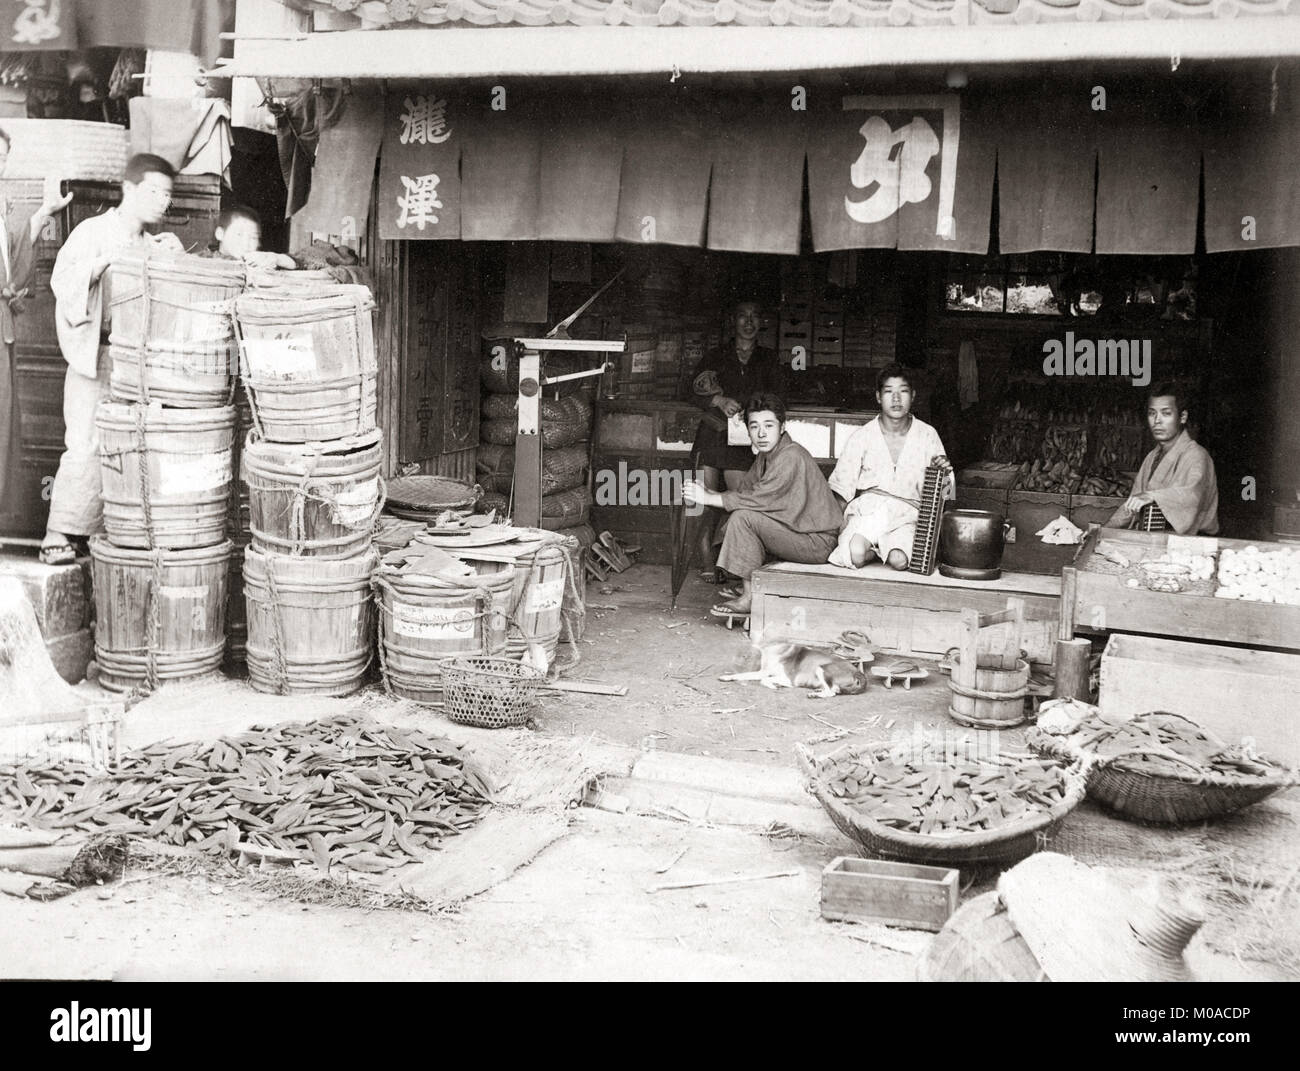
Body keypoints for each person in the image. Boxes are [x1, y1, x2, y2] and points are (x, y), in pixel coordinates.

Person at [39, 153, 184, 565]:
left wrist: (174, 259)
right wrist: (103, 264)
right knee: (84, 442)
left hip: (133, 362)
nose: (161, 201)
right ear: (129, 189)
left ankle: (99, 534)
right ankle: (56, 532)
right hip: (96, 352)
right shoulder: (94, 231)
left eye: (167, 194)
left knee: (122, 446)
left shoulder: (152, 243)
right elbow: (62, 279)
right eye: (153, 191)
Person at [683, 392, 842, 622]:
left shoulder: (791, 455)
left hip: (817, 542)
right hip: (801, 536)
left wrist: (710, 498)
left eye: (769, 425)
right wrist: (708, 493)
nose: (761, 433)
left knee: (744, 518)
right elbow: (745, 492)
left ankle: (749, 599)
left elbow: (757, 500)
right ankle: (751, 588)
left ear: (782, 426)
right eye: (754, 426)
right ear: (747, 431)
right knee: (742, 515)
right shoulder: (766, 457)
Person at [0, 127, 74, 510]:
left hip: (3, 327)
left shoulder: (3, 201)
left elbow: (12, 255)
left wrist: (45, 210)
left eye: (2, 158)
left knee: (3, 421)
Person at [685, 298, 783, 573]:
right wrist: (718, 400)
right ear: (733, 321)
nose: (749, 322)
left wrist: (753, 409)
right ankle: (706, 562)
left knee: (740, 502)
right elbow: (688, 388)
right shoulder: (715, 356)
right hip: (712, 436)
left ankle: (730, 563)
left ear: (761, 322)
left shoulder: (769, 358)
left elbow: (779, 396)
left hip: (742, 442)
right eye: (743, 316)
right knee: (703, 503)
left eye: (754, 316)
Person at [827, 364, 953, 570]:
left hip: (908, 515)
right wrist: (834, 530)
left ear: (912, 395)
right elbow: (840, 490)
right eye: (889, 392)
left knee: (899, 560)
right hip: (868, 513)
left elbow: (947, 494)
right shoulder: (862, 436)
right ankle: (874, 551)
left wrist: (945, 473)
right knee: (855, 554)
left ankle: (885, 551)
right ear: (878, 397)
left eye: (902, 391)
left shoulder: (928, 435)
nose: (896, 399)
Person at [1106, 384, 1219, 535]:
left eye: (1166, 413)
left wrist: (1151, 496)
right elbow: (1133, 502)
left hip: (1190, 545)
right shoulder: (1152, 457)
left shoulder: (1197, 455)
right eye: (1152, 413)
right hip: (1155, 539)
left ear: (1182, 417)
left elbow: (1191, 497)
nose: (1157, 421)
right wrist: (1105, 529)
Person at [203, 204, 294, 270]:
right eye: (239, 234)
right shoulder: (202, 261)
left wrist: (277, 258)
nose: (246, 243)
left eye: (253, 237)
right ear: (220, 234)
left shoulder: (261, 264)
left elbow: (303, 261)